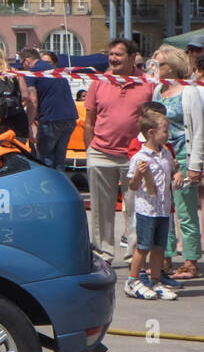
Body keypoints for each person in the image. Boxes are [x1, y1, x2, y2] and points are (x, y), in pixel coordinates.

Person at [85, 38, 154, 262]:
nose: (113, 58)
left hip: (133, 156)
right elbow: (89, 120)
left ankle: (135, 253)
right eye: (111, 54)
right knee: (100, 209)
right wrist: (90, 151)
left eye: (118, 55)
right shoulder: (99, 81)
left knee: (136, 206)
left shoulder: (147, 84)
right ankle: (103, 252)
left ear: (133, 58)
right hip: (100, 152)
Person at [152, 46, 203, 280]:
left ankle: (191, 261)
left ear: (170, 67)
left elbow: (199, 129)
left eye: (159, 64)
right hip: (162, 159)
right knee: (164, 210)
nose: (155, 68)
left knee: (186, 212)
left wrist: (195, 164)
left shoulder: (189, 92)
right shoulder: (157, 91)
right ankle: (166, 257)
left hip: (183, 158)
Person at [20, 46, 108, 169]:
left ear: (27, 60)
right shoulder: (56, 70)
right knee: (60, 159)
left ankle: (49, 186)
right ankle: (60, 184)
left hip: (50, 119)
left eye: (22, 63)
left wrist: (28, 124)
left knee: (45, 160)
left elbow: (32, 100)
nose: (23, 67)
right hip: (70, 118)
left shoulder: (32, 73)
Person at [124, 110, 180, 300]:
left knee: (159, 247)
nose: (167, 135)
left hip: (163, 210)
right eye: (164, 131)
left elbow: (173, 171)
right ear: (151, 132)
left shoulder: (165, 154)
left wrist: (177, 174)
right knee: (143, 246)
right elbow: (132, 185)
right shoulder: (140, 157)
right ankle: (132, 280)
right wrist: (139, 174)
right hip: (147, 209)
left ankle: (156, 280)